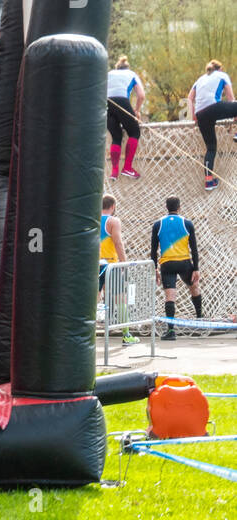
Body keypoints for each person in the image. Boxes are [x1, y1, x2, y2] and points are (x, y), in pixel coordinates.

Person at [150, 196, 201, 342]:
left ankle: (171, 331)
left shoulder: (157, 224)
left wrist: (155, 268)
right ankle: (200, 320)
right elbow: (194, 248)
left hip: (167, 264)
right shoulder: (187, 223)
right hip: (184, 262)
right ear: (179, 207)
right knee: (195, 289)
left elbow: (153, 250)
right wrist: (196, 268)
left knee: (170, 296)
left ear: (166, 207)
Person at [187, 60, 237, 190]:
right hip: (214, 107)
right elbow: (231, 98)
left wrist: (193, 116)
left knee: (211, 148)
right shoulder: (222, 75)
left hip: (200, 114)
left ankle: (209, 181)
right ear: (220, 69)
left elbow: (190, 98)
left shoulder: (200, 79)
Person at [99, 195, 135, 343]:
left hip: (93, 264)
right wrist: (124, 263)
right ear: (113, 206)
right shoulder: (113, 221)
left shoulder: (92, 220)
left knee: (93, 300)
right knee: (121, 299)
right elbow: (118, 243)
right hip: (110, 265)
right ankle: (126, 335)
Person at [106, 55, 145, 179]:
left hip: (106, 103)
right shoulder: (132, 74)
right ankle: (127, 167)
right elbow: (141, 96)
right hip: (122, 100)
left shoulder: (109, 74)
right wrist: (137, 111)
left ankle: (114, 172)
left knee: (116, 137)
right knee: (134, 132)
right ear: (127, 67)